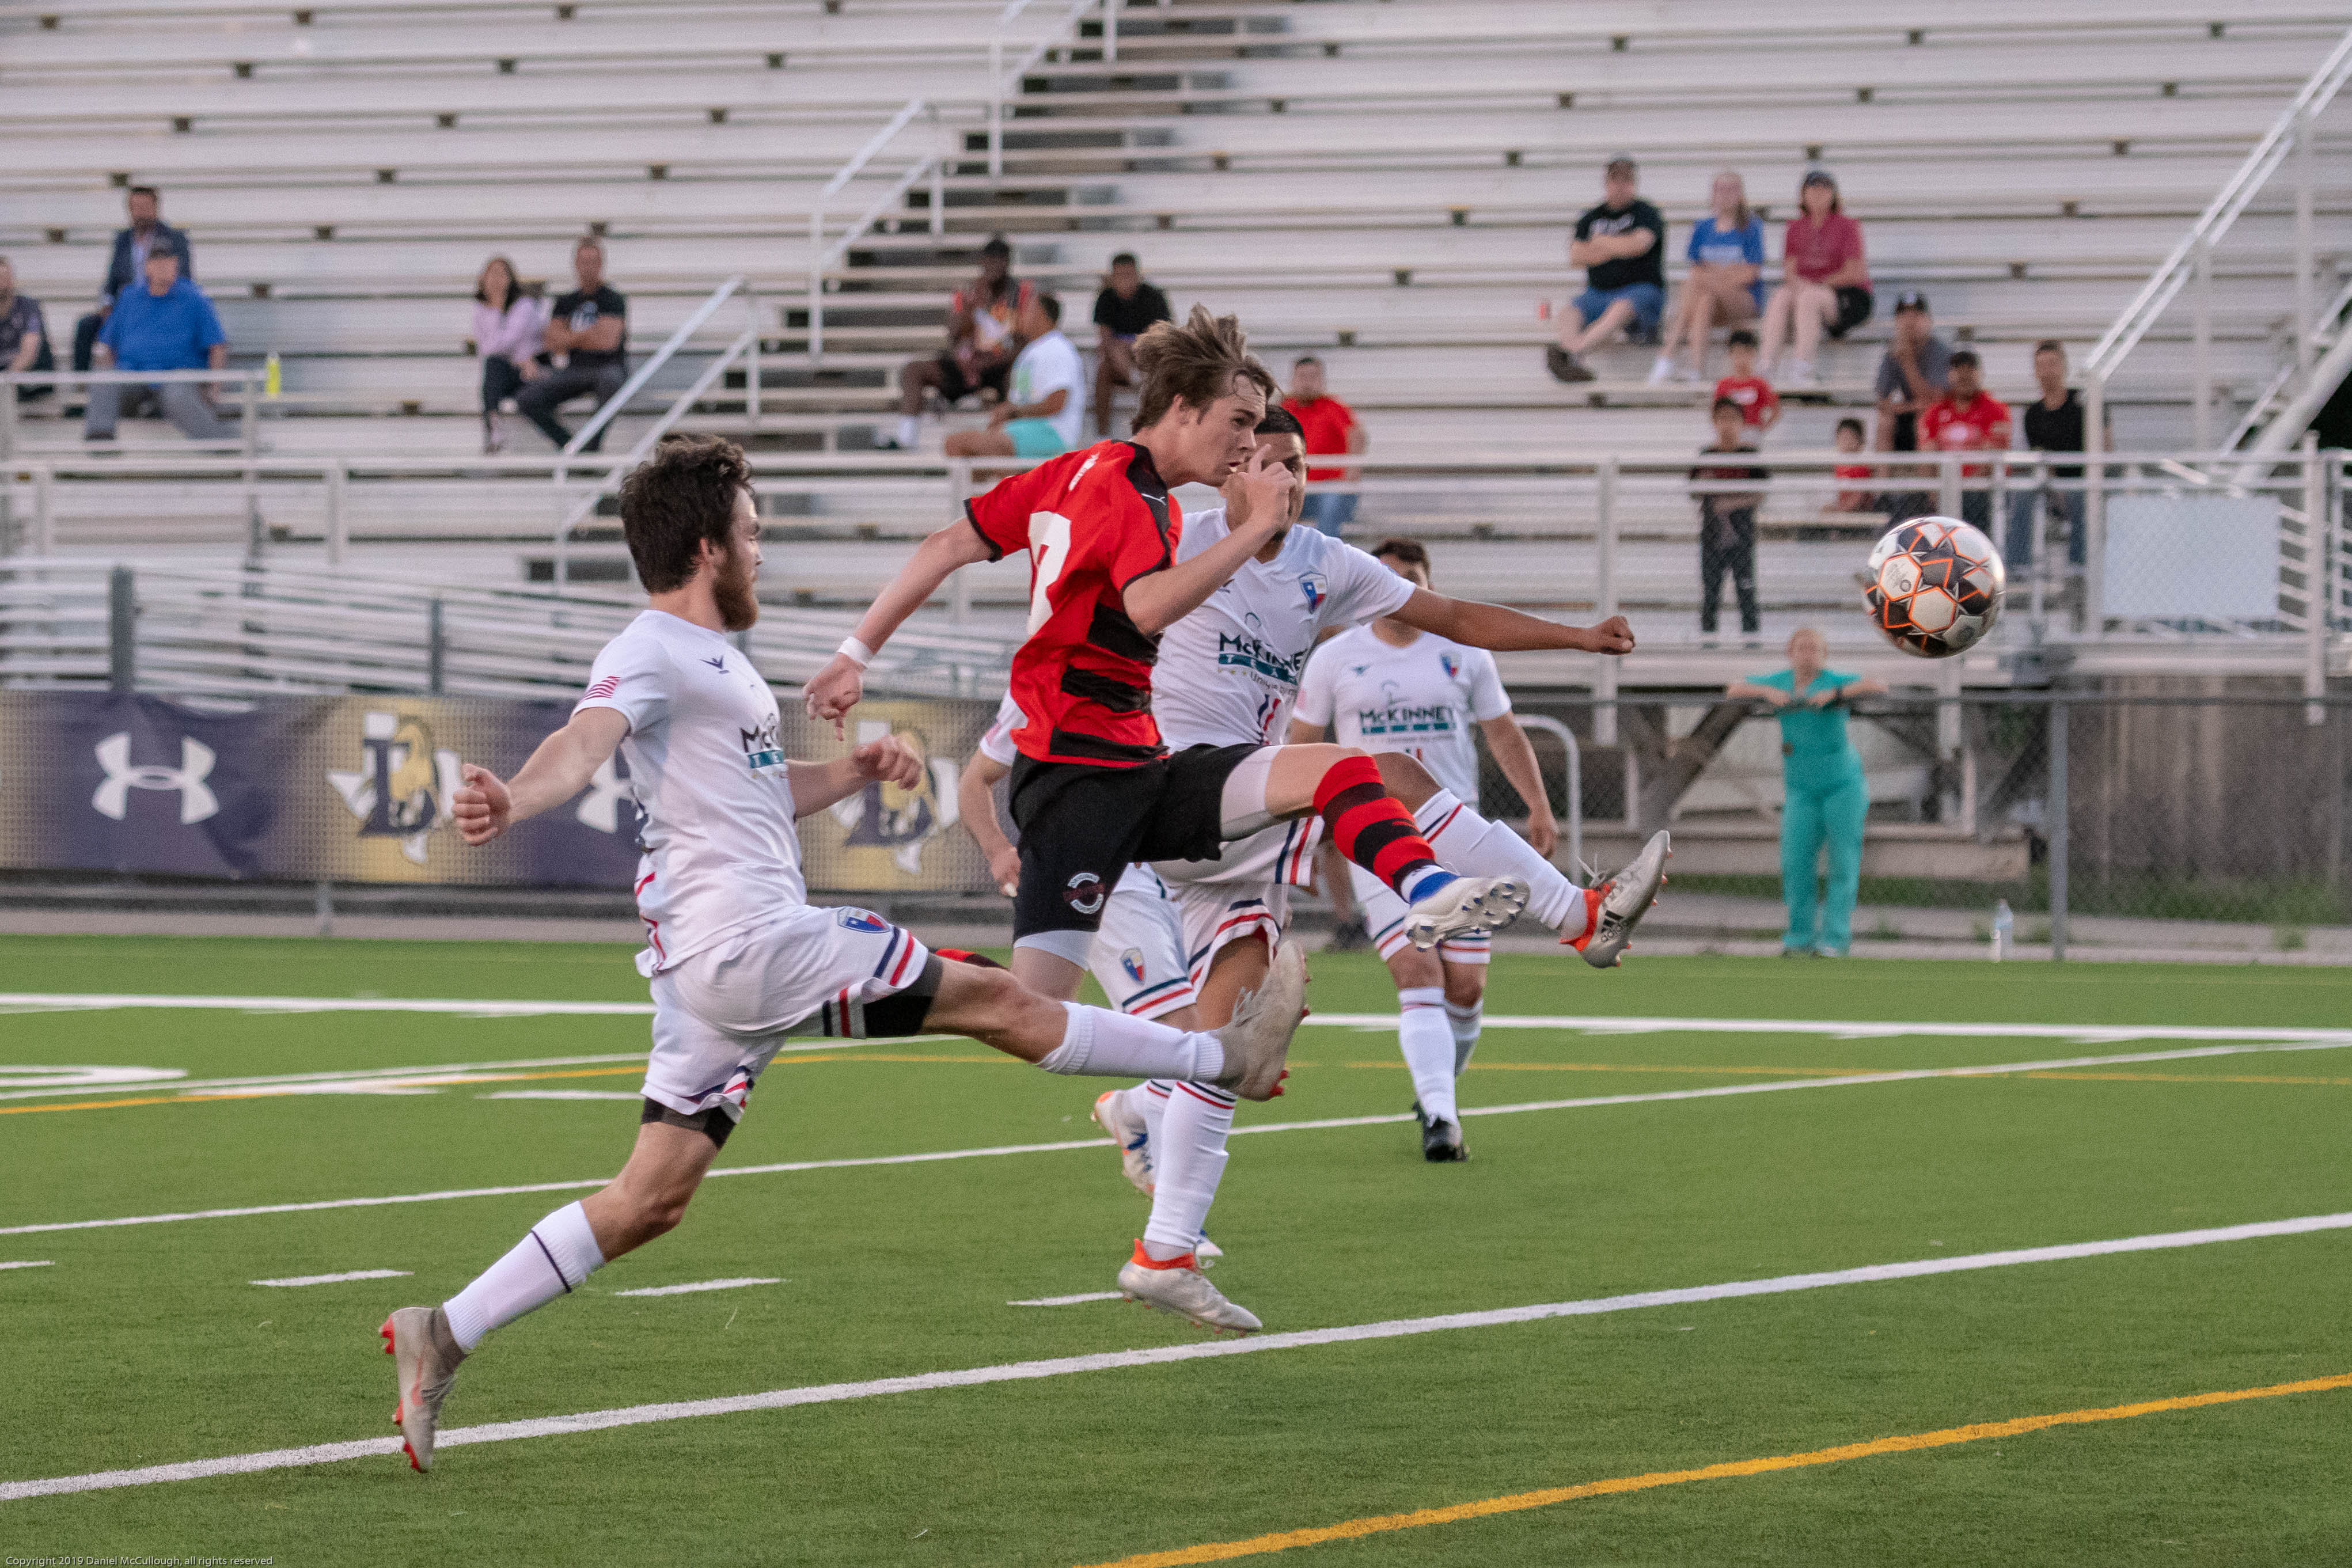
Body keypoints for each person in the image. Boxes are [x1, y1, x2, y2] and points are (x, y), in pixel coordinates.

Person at [381, 435, 1303, 1472]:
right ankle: (1220, 1058)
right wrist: (513, 793)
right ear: (703, 547)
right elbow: (582, 742)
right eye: (750, 532)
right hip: (751, 942)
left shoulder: (716, 662)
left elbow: (751, 796)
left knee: (649, 1199)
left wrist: (852, 772)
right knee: (996, 999)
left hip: (710, 973)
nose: (761, 548)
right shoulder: (648, 647)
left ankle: (443, 1329)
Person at [807, 307, 1609, 1012]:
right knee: (1038, 1008)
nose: (1246, 445)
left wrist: (855, 651)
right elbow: (1148, 605)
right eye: (1238, 422)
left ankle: (1442, 893)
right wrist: (1253, 529)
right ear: (1185, 410)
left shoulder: (1076, 471)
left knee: (1342, 780)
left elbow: (948, 542)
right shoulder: (1144, 503)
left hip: (1134, 765)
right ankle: (866, 959)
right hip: (1079, 773)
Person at [1078, 408, 1668, 1327]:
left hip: (1230, 835)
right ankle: (1568, 914)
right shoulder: (1183, 543)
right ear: (1228, 473)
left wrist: (1579, 637)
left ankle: (1167, 1247)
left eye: (1298, 463)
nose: (1288, 478)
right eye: (1267, 462)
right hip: (1175, 795)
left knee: (1227, 1039)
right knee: (1377, 769)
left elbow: (1456, 617)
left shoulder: (1323, 560)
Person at [1289, 536, 1583, 1162]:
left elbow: (1502, 732)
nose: (1399, 585)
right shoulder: (1335, 657)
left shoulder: (1463, 653)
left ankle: (1437, 1092)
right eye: (1388, 575)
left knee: (1466, 991)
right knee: (1415, 974)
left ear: (1429, 583)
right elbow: (1301, 746)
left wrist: (1538, 804)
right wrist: (1300, 832)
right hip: (1375, 836)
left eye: (1412, 576)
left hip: (1457, 837)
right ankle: (1441, 1120)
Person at [1725, 629, 1886, 958]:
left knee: (1843, 862)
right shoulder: (1781, 682)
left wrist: (1837, 694)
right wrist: (1767, 693)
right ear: (1790, 651)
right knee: (1796, 862)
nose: (1807, 654)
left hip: (1842, 786)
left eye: (1814, 649)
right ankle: (1799, 938)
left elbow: (1877, 685)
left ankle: (1835, 939)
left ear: (1824, 654)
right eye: (1801, 648)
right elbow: (1734, 689)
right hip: (1800, 789)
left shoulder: (1832, 680)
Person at [890, 235, 1031, 450]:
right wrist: (971, 307)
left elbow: (1025, 340)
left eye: (1001, 261)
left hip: (1002, 365)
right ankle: (906, 438)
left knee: (1016, 373)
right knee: (913, 370)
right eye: (991, 261)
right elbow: (953, 335)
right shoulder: (968, 292)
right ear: (983, 262)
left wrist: (996, 359)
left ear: (1008, 262)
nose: (996, 267)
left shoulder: (1020, 294)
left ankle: (1008, 442)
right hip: (967, 365)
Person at [83, 241, 232, 444]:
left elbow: (217, 346)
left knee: (177, 393)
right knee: (104, 377)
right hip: (133, 377)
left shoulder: (194, 299)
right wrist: (104, 362)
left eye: (167, 261)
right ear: (147, 266)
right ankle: (99, 447)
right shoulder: (130, 297)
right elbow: (106, 344)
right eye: (156, 260)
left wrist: (214, 388)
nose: (162, 266)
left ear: (176, 264)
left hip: (177, 376)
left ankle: (226, 445)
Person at [1547, 156, 1666, 384]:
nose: (1621, 187)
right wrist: (1620, 246)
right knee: (1569, 313)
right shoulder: (1591, 217)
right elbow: (1577, 256)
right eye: (1615, 181)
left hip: (1641, 291)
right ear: (1607, 183)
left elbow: (1638, 246)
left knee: (1620, 308)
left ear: (1634, 184)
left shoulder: (1646, 213)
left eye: (1627, 181)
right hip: (1599, 292)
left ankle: (1572, 353)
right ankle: (1571, 356)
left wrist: (1600, 242)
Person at [1758, 169, 1872, 387]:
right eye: (1813, 188)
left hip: (1848, 296)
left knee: (1809, 297)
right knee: (1782, 296)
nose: (1818, 193)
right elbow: (1790, 272)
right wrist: (1801, 285)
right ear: (1803, 194)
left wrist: (1816, 284)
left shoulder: (1847, 226)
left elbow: (1855, 273)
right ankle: (1766, 365)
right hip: (1810, 292)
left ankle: (1803, 367)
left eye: (1824, 188)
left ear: (1833, 194)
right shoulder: (1795, 227)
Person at [1651, 170, 1765, 385]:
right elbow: (1696, 270)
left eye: (1731, 190)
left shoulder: (1751, 227)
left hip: (1742, 301)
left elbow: (1750, 274)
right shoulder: (1702, 228)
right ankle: (1696, 368)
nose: (1726, 195)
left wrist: (1713, 275)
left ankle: (1667, 355)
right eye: (1721, 190)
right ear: (1713, 194)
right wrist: (1727, 272)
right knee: (1704, 298)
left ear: (1740, 194)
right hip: (1713, 300)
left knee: (1697, 287)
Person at [516, 237, 627, 451]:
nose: (588, 267)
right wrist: (591, 334)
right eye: (584, 261)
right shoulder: (565, 301)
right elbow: (552, 342)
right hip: (576, 369)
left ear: (601, 264)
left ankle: (591, 447)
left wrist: (570, 335)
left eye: (593, 261)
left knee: (612, 382)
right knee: (526, 398)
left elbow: (608, 342)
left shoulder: (613, 299)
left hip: (607, 367)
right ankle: (572, 446)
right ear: (576, 264)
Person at [944, 293, 1084, 460]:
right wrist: (1006, 413)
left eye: (1027, 311)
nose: (1021, 315)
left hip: (1052, 433)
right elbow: (1022, 399)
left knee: (960, 443)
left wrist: (1012, 412)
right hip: (1026, 430)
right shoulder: (1033, 350)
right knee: (962, 448)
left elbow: (1056, 403)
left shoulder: (1057, 348)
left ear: (1042, 315)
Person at [71, 185, 194, 377]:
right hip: (125, 309)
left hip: (160, 308)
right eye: (136, 207)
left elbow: (184, 279)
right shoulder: (123, 240)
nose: (140, 213)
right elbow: (111, 283)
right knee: (87, 326)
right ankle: (80, 391)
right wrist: (107, 306)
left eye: (145, 207)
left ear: (156, 207)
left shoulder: (174, 239)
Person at [2009, 339, 2100, 570]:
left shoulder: (2083, 404)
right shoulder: (2033, 414)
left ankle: (2078, 570)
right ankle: (2019, 568)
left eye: (2053, 364)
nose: (2047, 371)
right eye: (2041, 365)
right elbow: (2039, 457)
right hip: (2049, 487)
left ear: (2064, 367)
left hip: (2083, 484)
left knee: (2081, 500)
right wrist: (2054, 484)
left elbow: (2102, 447)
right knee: (2021, 494)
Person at [1691, 396, 1767, 639]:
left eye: (1733, 419)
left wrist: (1730, 502)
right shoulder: (1706, 455)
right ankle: (1708, 644)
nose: (1727, 425)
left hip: (1742, 535)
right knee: (1711, 596)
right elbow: (1695, 491)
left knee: (1747, 594)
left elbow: (1761, 493)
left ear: (1742, 423)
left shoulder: (1750, 455)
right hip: (1712, 535)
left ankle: (1751, 645)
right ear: (1714, 422)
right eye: (1722, 419)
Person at [1918, 349, 2012, 532]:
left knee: (1972, 501)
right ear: (1949, 375)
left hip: (1982, 491)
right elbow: (1927, 458)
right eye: (1959, 372)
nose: (1964, 377)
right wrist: (1937, 493)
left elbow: (1988, 462)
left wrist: (1959, 492)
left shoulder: (1995, 410)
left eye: (1969, 372)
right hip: (1942, 489)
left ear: (1979, 374)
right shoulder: (1935, 412)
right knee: (1908, 500)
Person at [1091, 252, 1173, 438]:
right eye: (1119, 276)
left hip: (1147, 359)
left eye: (1128, 275)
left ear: (1137, 275)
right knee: (1104, 369)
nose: (1124, 281)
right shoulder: (1106, 298)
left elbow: (1163, 335)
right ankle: (1101, 433)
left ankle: (1139, 381)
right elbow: (1105, 338)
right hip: (1119, 361)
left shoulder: (1154, 297)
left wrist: (1134, 345)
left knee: (1129, 347)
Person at [1285, 355, 1365, 537]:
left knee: (1331, 503)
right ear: (1293, 380)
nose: (1307, 383)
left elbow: (1357, 435)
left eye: (1313, 377)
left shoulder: (1333, 408)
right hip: (1297, 487)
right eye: (1302, 377)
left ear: (1322, 380)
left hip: (1330, 488)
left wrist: (1351, 474)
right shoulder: (1285, 409)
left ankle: (1321, 561)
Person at [471, 255, 543, 455]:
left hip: (532, 372)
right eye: (491, 274)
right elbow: (487, 349)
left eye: (501, 274)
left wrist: (496, 306)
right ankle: (493, 425)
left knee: (494, 365)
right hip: (511, 370)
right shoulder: (481, 309)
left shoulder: (524, 306)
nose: (495, 280)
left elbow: (504, 343)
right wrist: (495, 307)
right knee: (493, 366)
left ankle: (493, 427)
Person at [1872, 290, 1951, 454]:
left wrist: (1907, 361)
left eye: (1916, 315)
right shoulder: (1892, 353)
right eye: (1905, 316)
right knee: (1884, 423)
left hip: (1940, 420)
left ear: (1928, 320)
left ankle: (1924, 478)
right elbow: (1882, 402)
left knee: (1924, 419)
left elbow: (1934, 402)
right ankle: (1882, 477)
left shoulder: (1940, 352)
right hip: (1908, 415)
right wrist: (1903, 408)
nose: (1910, 322)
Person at [0, 256, 54, 402]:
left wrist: (7, 380)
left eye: (5, 277)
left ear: (12, 279)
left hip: (29, 377)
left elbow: (29, 352)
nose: (2, 283)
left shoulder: (27, 307)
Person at [1713, 328, 1780, 434]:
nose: (1742, 359)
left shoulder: (1760, 384)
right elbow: (1716, 411)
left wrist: (1763, 428)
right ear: (1731, 355)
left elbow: (1775, 409)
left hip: (1752, 430)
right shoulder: (1724, 384)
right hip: (1731, 433)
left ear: (1753, 354)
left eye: (1746, 353)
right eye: (1738, 354)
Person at [1831, 417, 1877, 512]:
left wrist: (1841, 510)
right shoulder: (1838, 466)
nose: (1847, 442)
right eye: (1843, 438)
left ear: (1859, 441)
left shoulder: (1862, 467)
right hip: (1843, 507)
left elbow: (1859, 496)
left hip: (1860, 510)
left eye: (1850, 438)